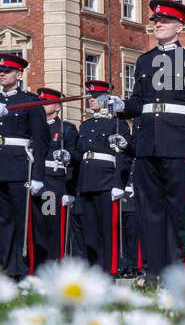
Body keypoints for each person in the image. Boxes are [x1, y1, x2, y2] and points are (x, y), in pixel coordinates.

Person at [124, 0, 185, 281]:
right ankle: (152, 270)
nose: (158, 24)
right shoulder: (144, 60)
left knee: (177, 213)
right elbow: (137, 103)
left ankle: (174, 273)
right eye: (155, 21)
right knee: (149, 212)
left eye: (164, 21)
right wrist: (118, 106)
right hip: (148, 144)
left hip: (178, 144)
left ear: (180, 26)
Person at [0, 52, 52, 277]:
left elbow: (41, 141)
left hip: (19, 167)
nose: (1, 75)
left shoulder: (29, 101)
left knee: (19, 221)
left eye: (6, 71)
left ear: (19, 74)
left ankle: (18, 268)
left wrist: (39, 175)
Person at [74, 79, 133, 275]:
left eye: (96, 97)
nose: (91, 100)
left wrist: (119, 183)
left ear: (107, 99)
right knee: (90, 231)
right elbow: (79, 153)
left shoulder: (118, 124)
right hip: (87, 181)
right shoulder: (85, 125)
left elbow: (123, 155)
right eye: (90, 96)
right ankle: (94, 269)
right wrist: (67, 157)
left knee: (108, 229)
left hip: (107, 181)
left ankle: (110, 269)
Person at [32, 87, 78, 267]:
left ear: (58, 106)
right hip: (32, 181)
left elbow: (74, 161)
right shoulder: (32, 127)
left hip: (52, 183)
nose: (41, 105)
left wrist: (70, 190)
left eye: (46, 102)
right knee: (33, 226)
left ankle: (51, 264)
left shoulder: (66, 129)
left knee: (49, 225)